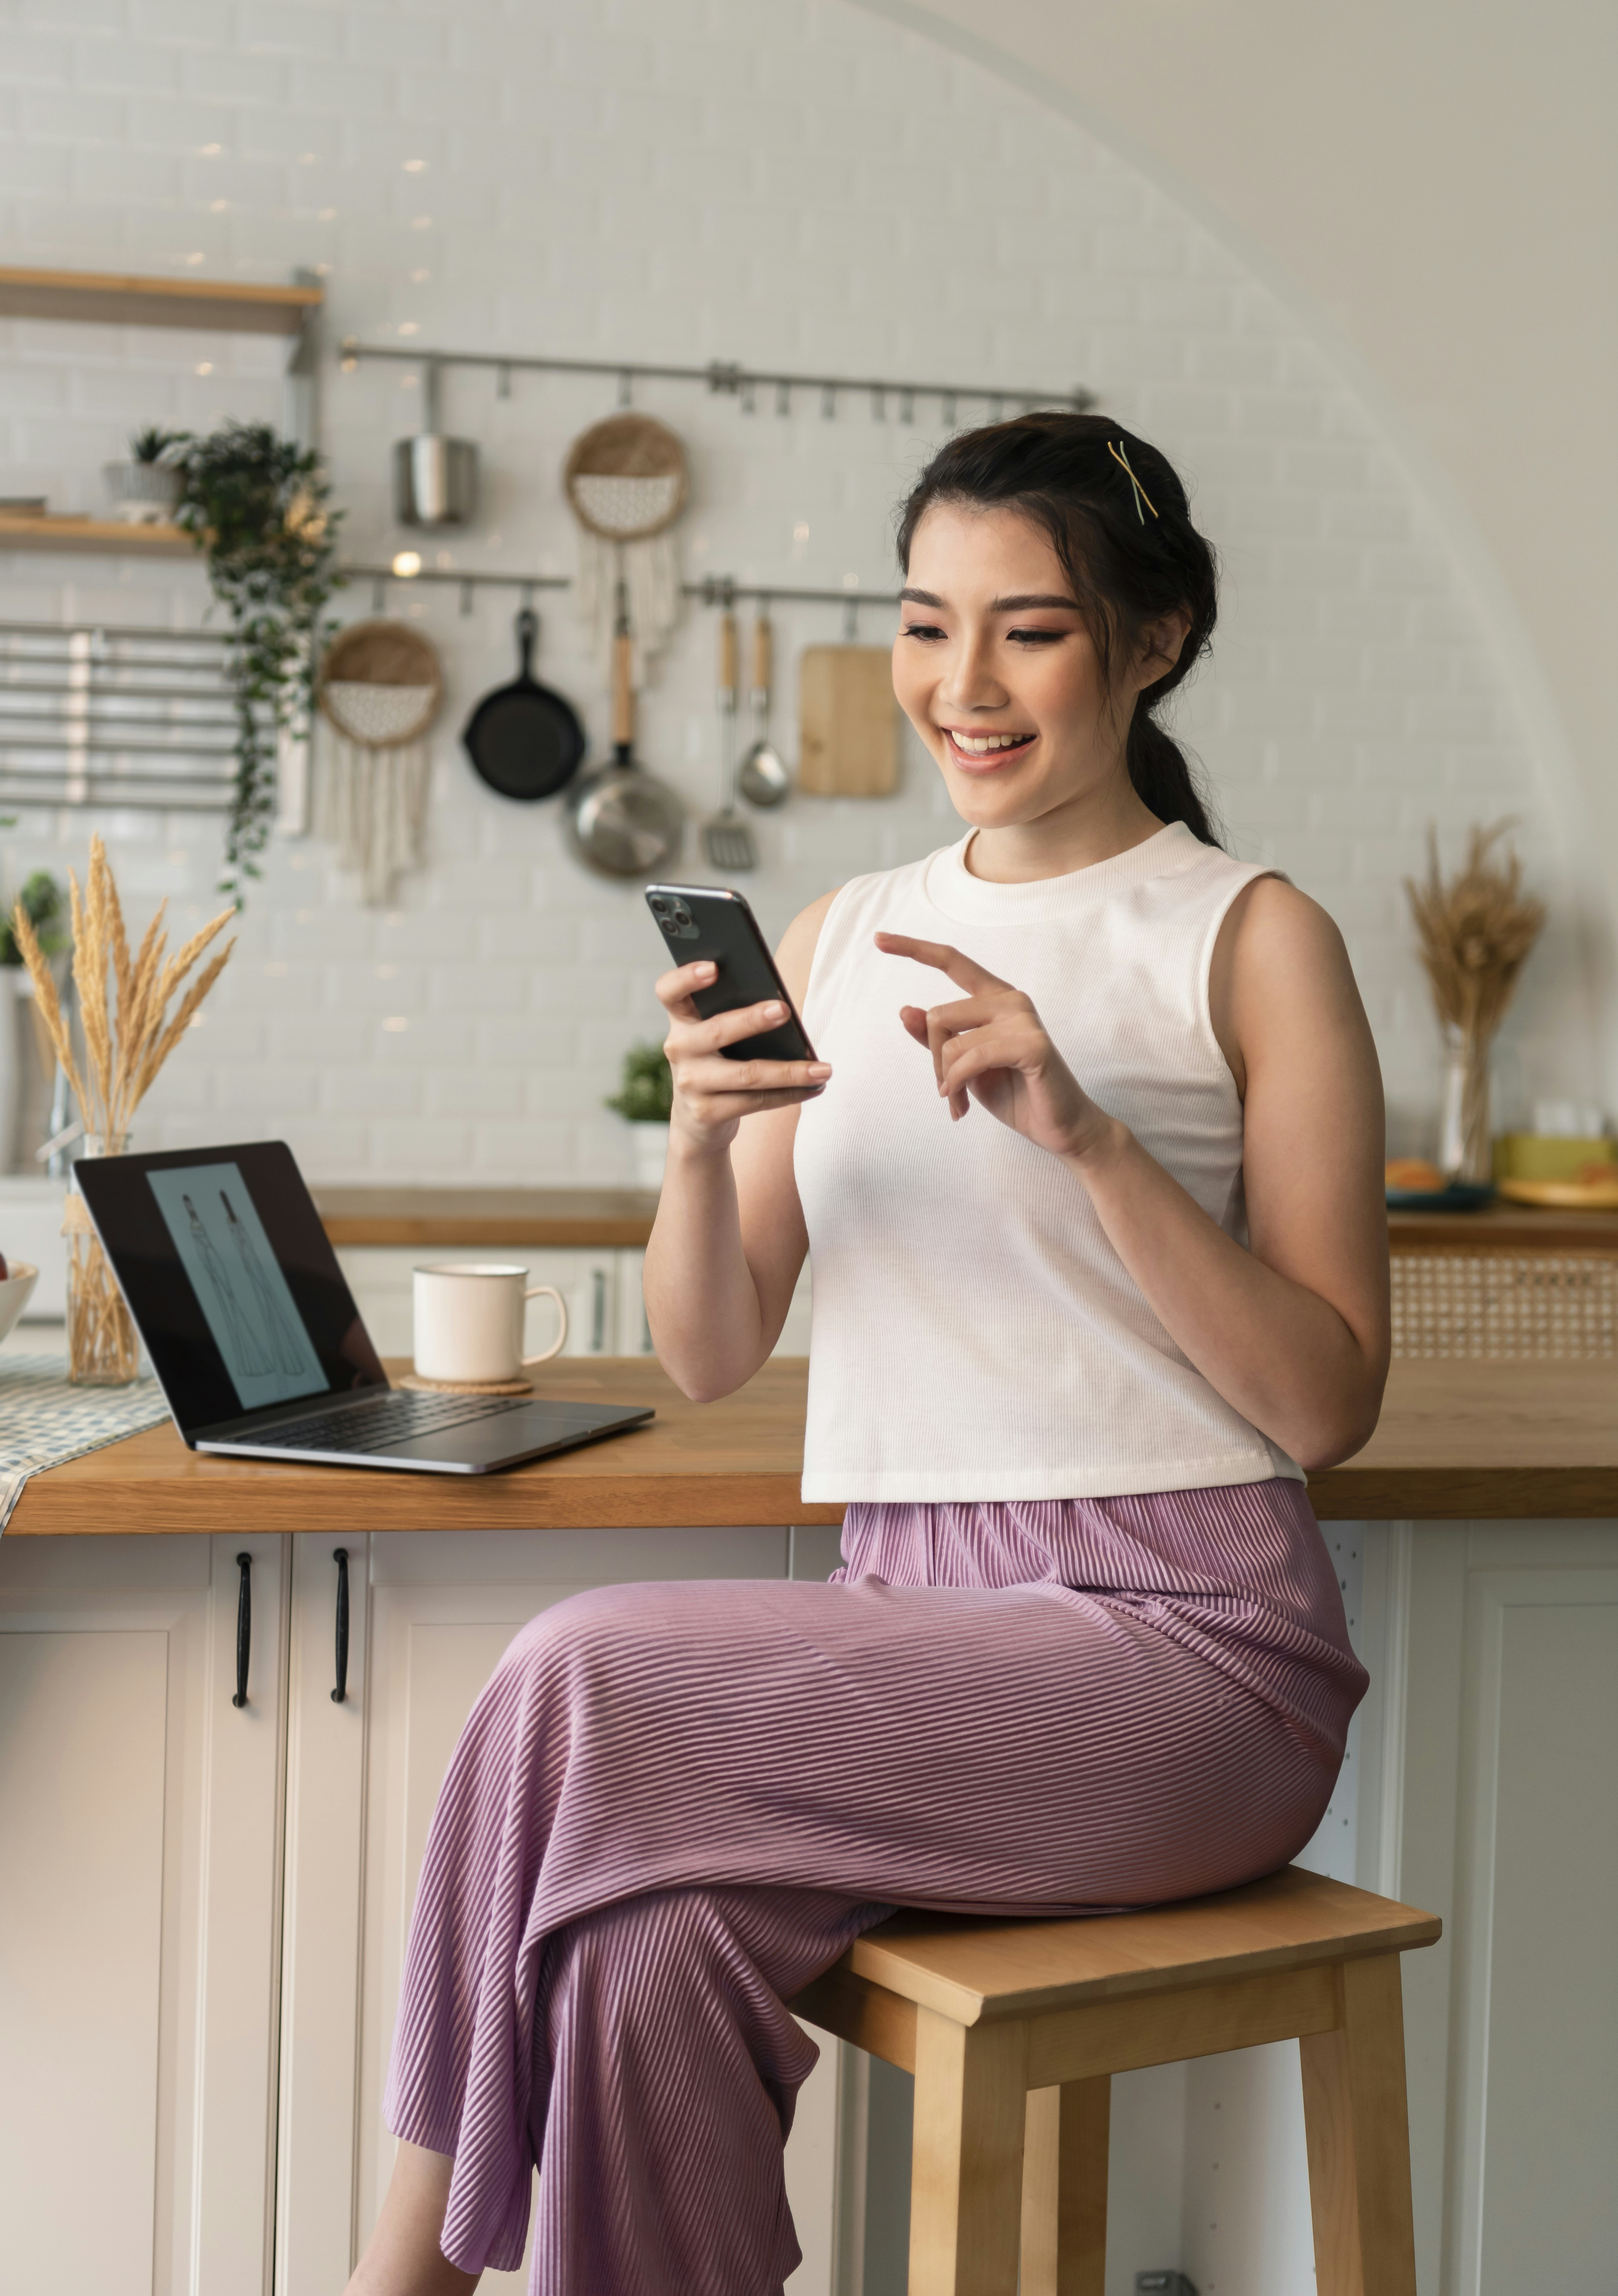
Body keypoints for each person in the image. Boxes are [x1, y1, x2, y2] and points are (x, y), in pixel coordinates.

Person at [347, 413, 1386, 2296]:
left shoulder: (1248, 939)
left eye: (1028, 631)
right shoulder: (844, 931)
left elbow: (1326, 1403)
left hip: (1188, 1660)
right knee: (631, 1956)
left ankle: (391, 2284)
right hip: (910, 1626)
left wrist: (1086, 1137)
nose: (959, 684)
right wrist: (694, 1142)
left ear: (1152, 643)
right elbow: (709, 1351)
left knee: (576, 1667)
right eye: (924, 625)